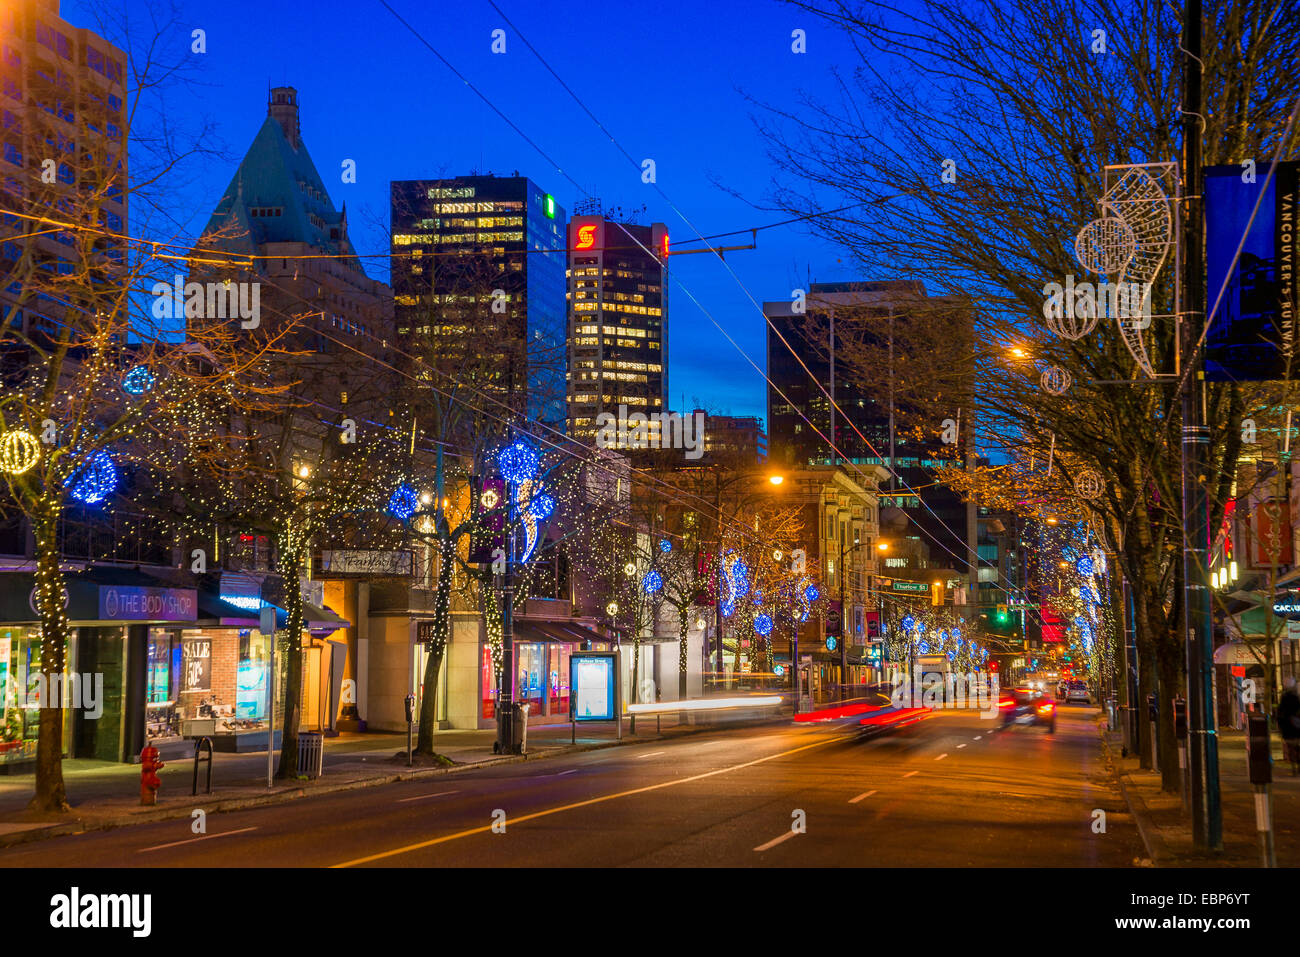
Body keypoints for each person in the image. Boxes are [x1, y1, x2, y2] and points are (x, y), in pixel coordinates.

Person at [1277, 677, 1300, 774]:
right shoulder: (1296, 698)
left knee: (1291, 747)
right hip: (1296, 727)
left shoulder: (1284, 698)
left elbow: (1280, 714)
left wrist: (1281, 728)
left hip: (1288, 728)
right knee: (1296, 747)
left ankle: (1294, 766)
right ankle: (1297, 765)